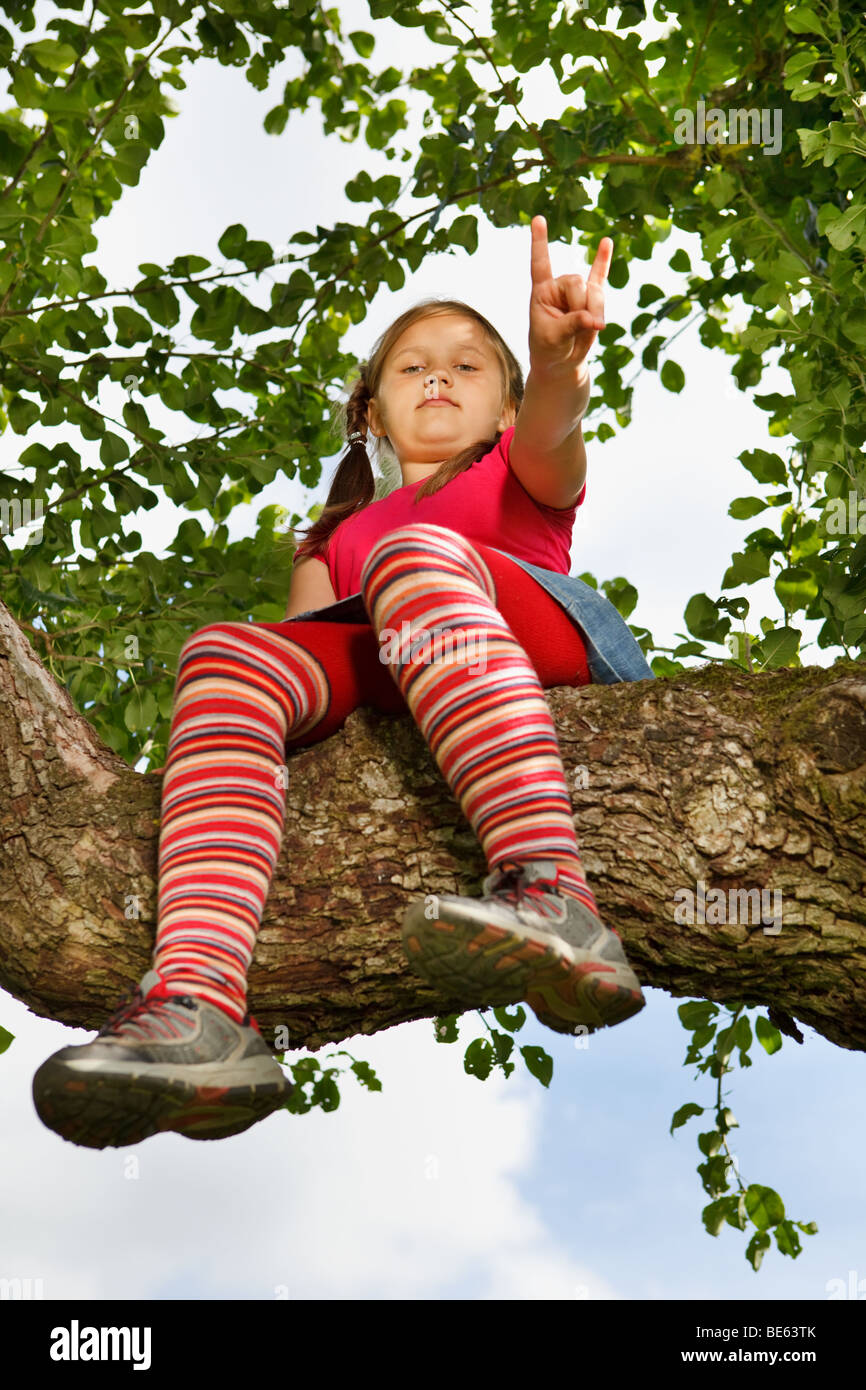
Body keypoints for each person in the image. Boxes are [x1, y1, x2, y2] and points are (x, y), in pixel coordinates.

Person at [32, 216, 654, 1151]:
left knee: (411, 558)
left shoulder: (517, 469)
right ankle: (196, 1008)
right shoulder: (333, 541)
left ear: (505, 410)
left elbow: (558, 428)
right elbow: (303, 651)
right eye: (411, 367)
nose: (437, 377)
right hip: (394, 661)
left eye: (468, 366)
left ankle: (551, 889)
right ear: (370, 413)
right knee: (226, 654)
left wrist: (557, 366)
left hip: (524, 642)